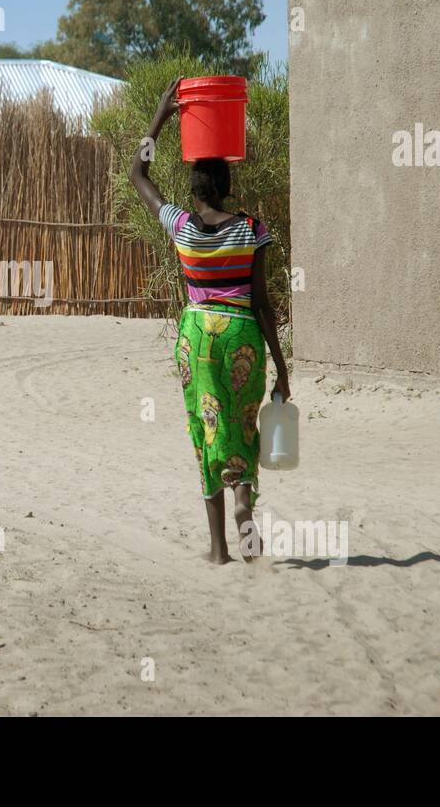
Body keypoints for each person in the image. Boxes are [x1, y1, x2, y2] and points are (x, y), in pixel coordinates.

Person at [129, 77, 290, 564]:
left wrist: (161, 114)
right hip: (241, 330)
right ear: (228, 187)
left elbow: (137, 174)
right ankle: (244, 502)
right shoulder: (252, 230)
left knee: (205, 426)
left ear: (194, 193)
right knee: (241, 423)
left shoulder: (180, 226)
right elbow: (264, 304)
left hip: (196, 334)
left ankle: (218, 550)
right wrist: (282, 367)